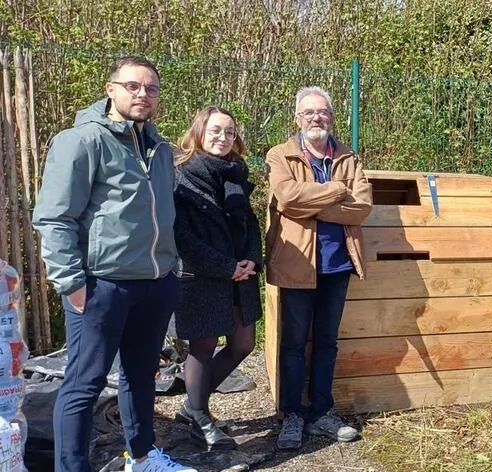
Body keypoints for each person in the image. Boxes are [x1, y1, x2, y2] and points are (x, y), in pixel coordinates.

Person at [33, 57, 195, 472]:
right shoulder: (82, 141)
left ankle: (142, 458)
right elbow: (54, 218)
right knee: (84, 384)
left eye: (151, 88)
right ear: (110, 90)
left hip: (155, 284)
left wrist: (169, 272)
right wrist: (72, 283)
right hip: (102, 286)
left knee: (141, 376)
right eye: (132, 86)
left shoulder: (160, 149)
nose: (143, 94)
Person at [266, 86, 373, 450]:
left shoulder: (349, 158)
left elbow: (362, 207)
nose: (317, 117)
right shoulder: (280, 154)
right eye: (309, 112)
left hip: (338, 264)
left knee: (327, 342)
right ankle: (292, 415)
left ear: (331, 117)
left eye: (323, 111)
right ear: (298, 118)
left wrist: (312, 203)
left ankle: (322, 412)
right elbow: (286, 197)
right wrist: (337, 190)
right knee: (294, 343)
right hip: (296, 262)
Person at [172, 107, 261, 450]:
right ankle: (199, 417)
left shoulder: (235, 171)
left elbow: (250, 222)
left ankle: (192, 406)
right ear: (199, 132)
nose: (223, 138)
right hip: (202, 276)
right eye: (215, 131)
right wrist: (225, 267)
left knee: (243, 344)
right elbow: (181, 236)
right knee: (203, 347)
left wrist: (252, 258)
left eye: (229, 132)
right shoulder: (181, 172)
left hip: (240, 274)